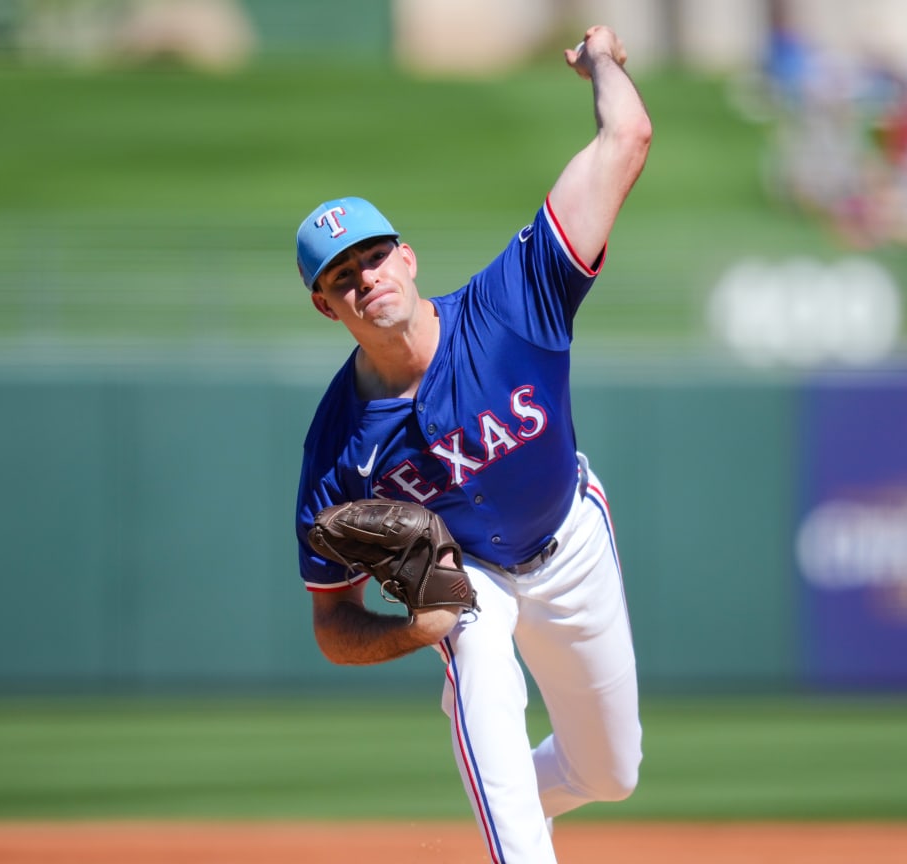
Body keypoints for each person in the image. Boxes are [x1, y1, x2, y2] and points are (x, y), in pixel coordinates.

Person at [290, 24, 651, 864]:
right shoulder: (337, 453)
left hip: (572, 541)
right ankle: (513, 838)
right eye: (342, 276)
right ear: (326, 306)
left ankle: (509, 801)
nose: (366, 278)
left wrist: (599, 60)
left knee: (611, 773)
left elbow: (626, 137)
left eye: (374, 256)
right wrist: (416, 629)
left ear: (407, 258)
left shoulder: (513, 302)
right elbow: (332, 624)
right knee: (474, 641)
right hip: (473, 578)